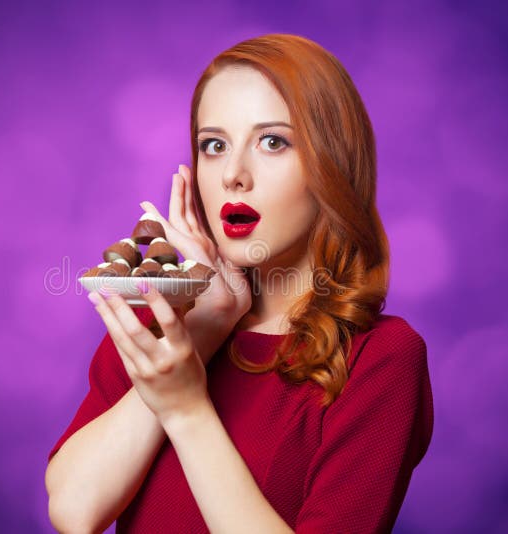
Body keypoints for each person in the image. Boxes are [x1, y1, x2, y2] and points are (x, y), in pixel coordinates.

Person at [45, 33, 433, 533]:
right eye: (214, 145)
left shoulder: (380, 358)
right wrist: (206, 326)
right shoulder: (161, 321)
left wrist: (186, 409)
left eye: (272, 141)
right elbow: (75, 511)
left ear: (331, 166)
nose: (233, 174)